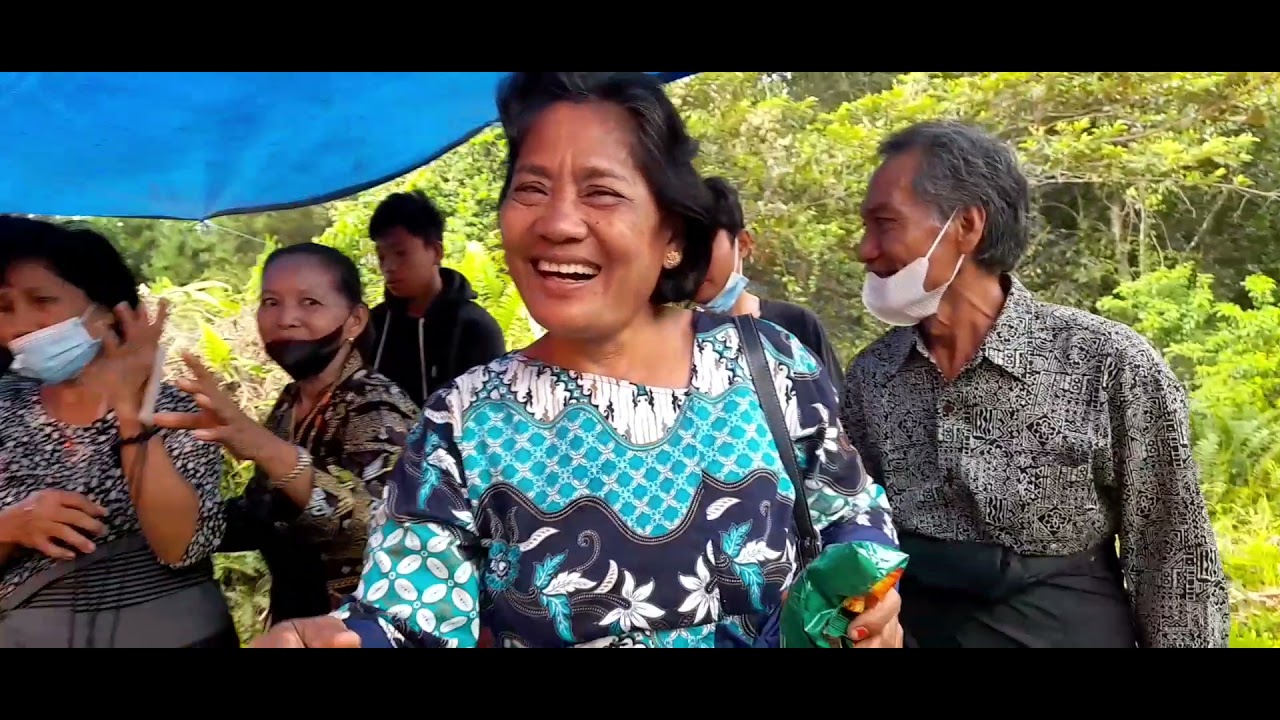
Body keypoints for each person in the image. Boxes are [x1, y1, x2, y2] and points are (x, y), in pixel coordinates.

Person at [251, 71, 902, 649]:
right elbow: (409, 621)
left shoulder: (770, 365)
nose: (558, 222)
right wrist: (344, 638)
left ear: (671, 236)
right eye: (531, 188)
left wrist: (868, 603)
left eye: (601, 192)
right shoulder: (464, 423)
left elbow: (852, 511)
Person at [841, 120, 1230, 648]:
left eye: (884, 223)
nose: (865, 249)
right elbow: (860, 536)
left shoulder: (1107, 363)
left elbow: (1174, 556)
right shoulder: (873, 376)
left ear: (967, 225)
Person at [153, 243, 419, 623]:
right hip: (296, 620)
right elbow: (263, 513)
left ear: (355, 321)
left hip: (363, 628)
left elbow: (378, 524)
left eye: (309, 302)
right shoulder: (291, 401)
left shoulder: (375, 404)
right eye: (271, 302)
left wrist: (262, 446)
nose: (285, 318)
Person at [0, 217, 233, 647]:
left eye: (42, 300)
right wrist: (11, 527)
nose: (21, 324)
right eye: (4, 308)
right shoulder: (5, 409)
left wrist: (131, 413)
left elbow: (181, 547)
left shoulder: (177, 411)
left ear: (109, 313)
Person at [693, 176, 845, 394]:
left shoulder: (796, 326)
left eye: (703, 246)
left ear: (743, 245)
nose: (693, 262)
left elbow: (839, 414)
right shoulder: (674, 341)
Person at [367, 190, 507, 406]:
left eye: (401, 253)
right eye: (381, 256)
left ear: (436, 251)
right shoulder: (374, 325)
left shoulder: (474, 329)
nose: (388, 267)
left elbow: (488, 413)